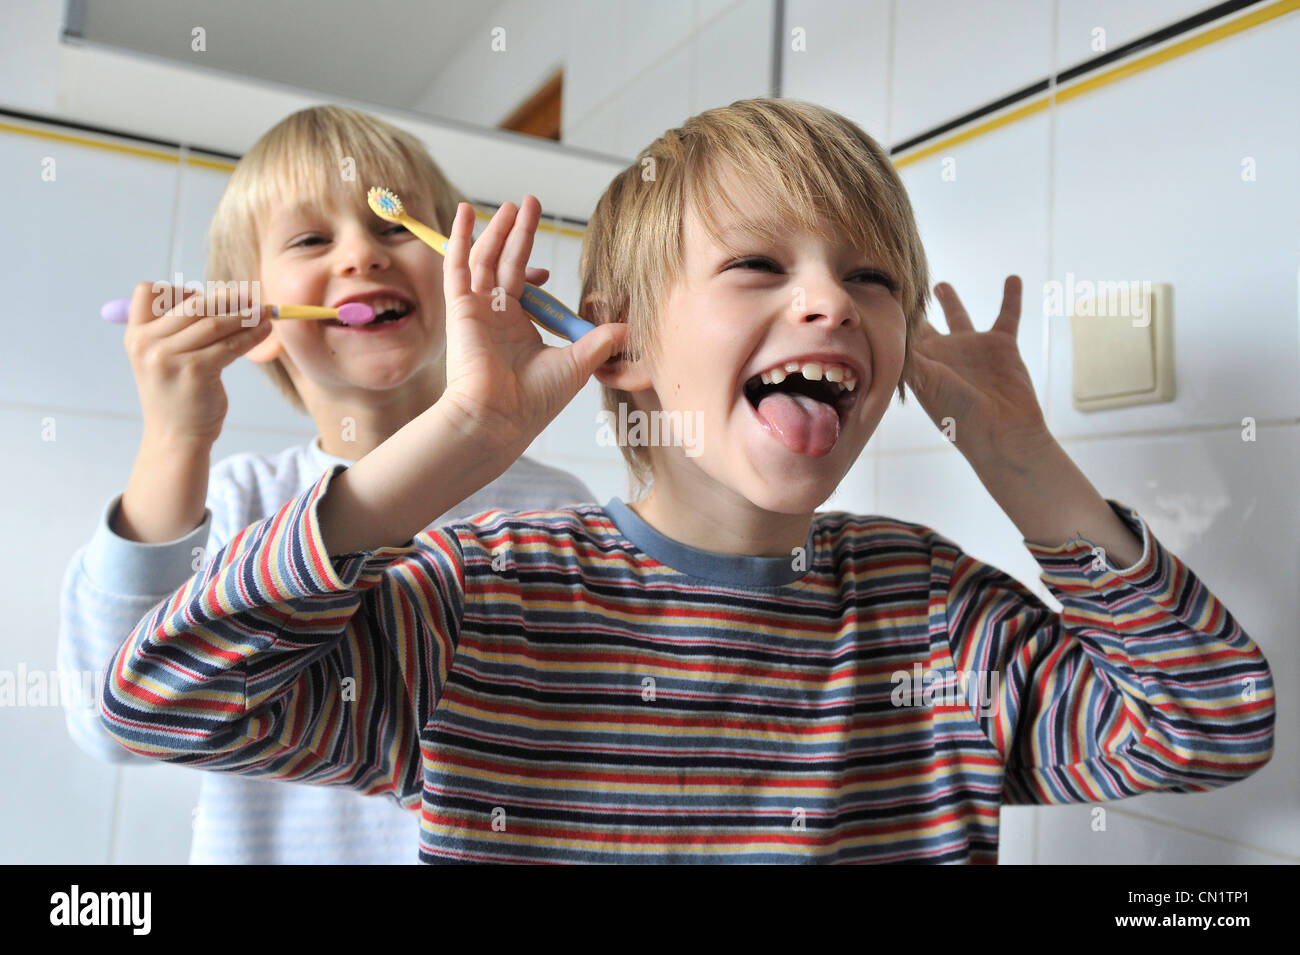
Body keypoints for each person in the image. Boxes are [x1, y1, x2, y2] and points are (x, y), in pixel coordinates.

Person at [99, 98, 1275, 863]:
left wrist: (1022, 459)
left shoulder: (934, 614)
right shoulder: (484, 605)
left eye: (871, 281)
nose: (827, 302)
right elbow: (157, 702)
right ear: (623, 344)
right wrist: (462, 431)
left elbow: (1207, 728)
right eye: (758, 264)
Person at [59, 105, 592, 864]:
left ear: (455, 272)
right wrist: (177, 437)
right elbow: (111, 721)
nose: (361, 256)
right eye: (312, 239)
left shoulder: (552, 505)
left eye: (396, 226)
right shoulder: (237, 503)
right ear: (256, 318)